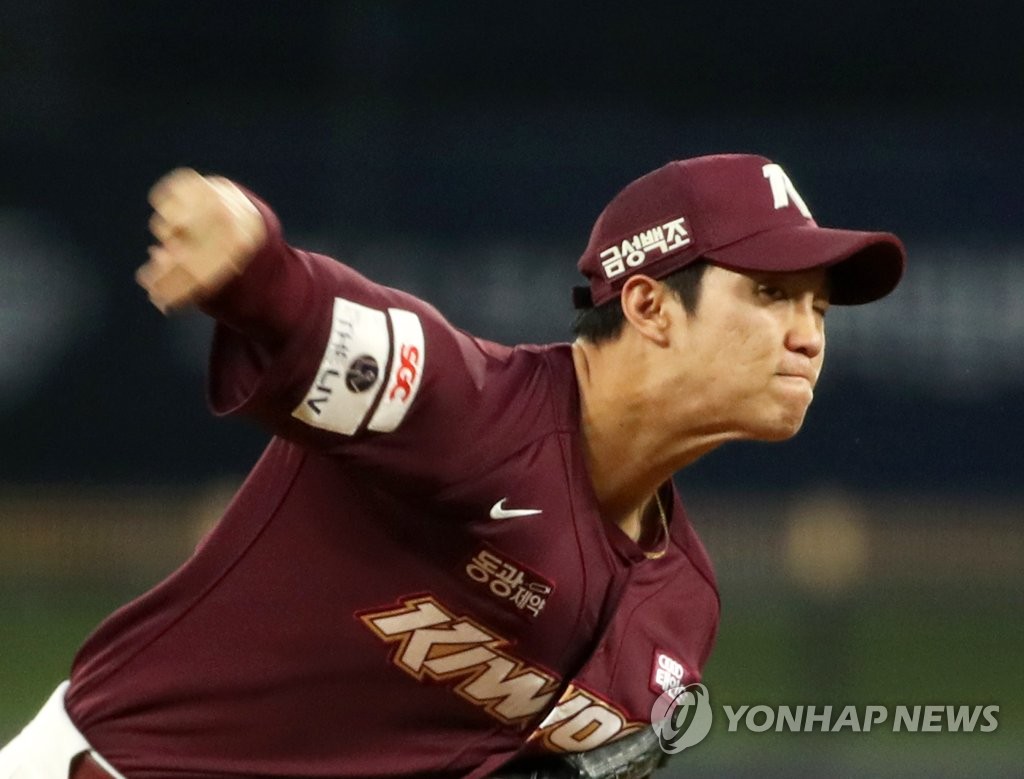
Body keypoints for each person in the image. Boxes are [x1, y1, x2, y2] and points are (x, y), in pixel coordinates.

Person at [0, 153, 905, 779]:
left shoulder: (682, 616)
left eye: (820, 307)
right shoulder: (478, 416)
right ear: (649, 304)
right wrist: (246, 252)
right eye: (771, 292)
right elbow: (320, 314)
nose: (807, 334)